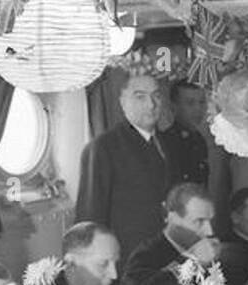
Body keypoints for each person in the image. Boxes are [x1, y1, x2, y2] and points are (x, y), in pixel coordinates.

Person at [76, 72, 179, 260]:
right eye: (140, 97)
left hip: (164, 250)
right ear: (123, 102)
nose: (151, 105)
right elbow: (91, 216)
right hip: (126, 256)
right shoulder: (104, 147)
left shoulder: (169, 143)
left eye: (156, 96)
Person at [121, 182, 219, 285]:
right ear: (173, 218)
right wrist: (190, 262)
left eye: (210, 221)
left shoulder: (211, 255)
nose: (209, 231)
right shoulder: (145, 255)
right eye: (199, 221)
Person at [160, 80, 210, 192]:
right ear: (174, 107)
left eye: (202, 102)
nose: (198, 109)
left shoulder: (199, 140)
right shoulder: (166, 142)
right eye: (190, 103)